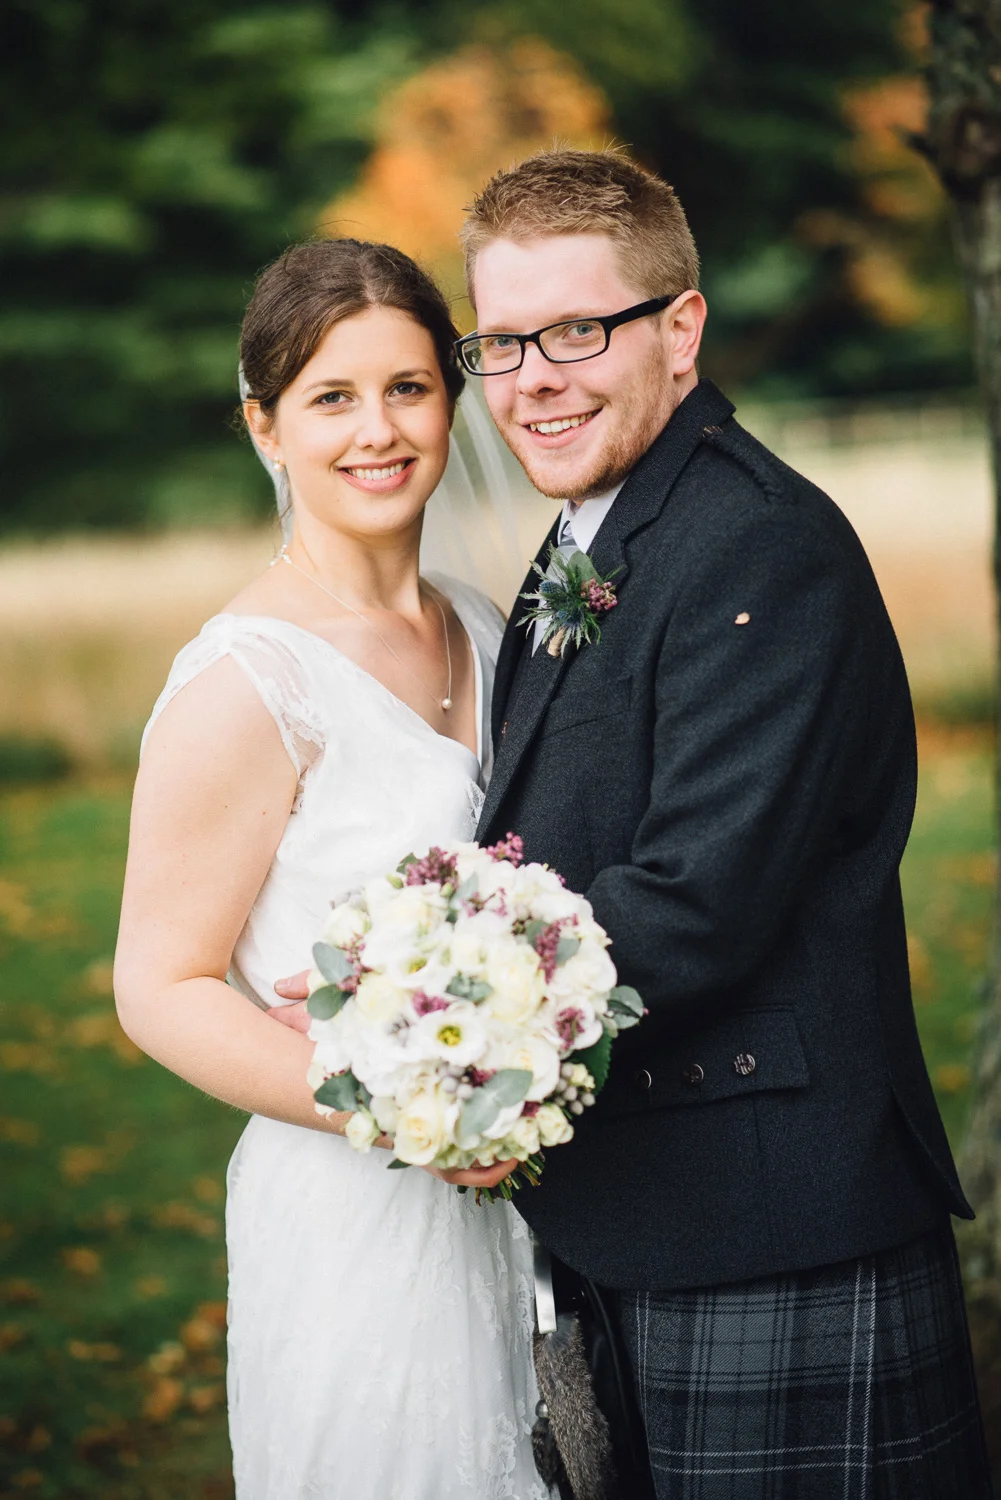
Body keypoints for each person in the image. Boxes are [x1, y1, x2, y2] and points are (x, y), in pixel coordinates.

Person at [455, 147, 993, 1498]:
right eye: (502, 342)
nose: (533, 377)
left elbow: (698, 895)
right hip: (656, 1206)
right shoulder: (602, 531)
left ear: (679, 326)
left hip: (771, 1216)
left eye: (577, 329)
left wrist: (435, 1025)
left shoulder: (757, 544)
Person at [113, 238, 550, 1500]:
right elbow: (161, 987)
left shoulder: (485, 625)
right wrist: (407, 1110)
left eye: (408, 389)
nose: (379, 430)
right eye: (332, 397)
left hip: (526, 1205)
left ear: (450, 403)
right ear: (264, 425)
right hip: (356, 1218)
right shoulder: (246, 681)